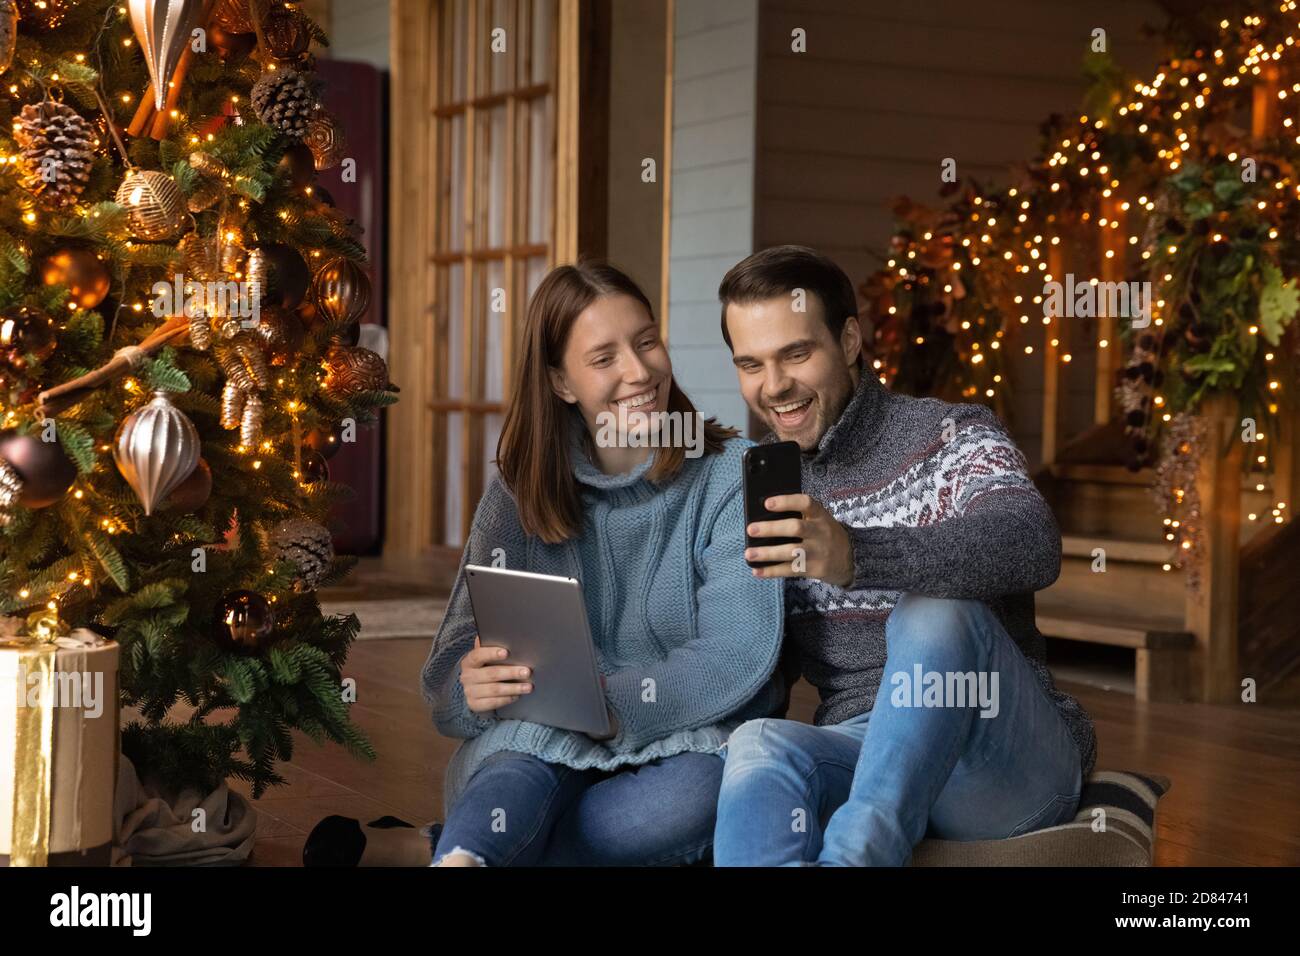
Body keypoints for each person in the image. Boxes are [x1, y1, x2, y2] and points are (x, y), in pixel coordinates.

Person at [710, 245, 1097, 866]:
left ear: (852, 340)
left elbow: (1032, 540)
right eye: (750, 364)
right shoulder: (760, 487)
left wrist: (857, 554)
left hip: (995, 758)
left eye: (797, 354)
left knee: (933, 615)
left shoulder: (949, 434)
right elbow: (756, 669)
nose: (774, 386)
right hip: (866, 750)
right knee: (760, 745)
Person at [419, 262, 785, 866]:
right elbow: (448, 668)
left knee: (703, 795)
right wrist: (473, 686)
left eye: (646, 342)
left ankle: (463, 850)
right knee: (520, 762)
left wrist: (608, 708)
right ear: (561, 383)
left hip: (686, 743)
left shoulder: (732, 475)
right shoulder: (519, 491)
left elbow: (737, 654)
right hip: (538, 748)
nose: (640, 372)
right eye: (604, 357)